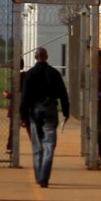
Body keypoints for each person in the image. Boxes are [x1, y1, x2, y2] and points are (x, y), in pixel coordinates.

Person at [18, 47, 69, 188]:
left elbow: (25, 97)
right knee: (49, 144)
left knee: (36, 145)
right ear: (46, 57)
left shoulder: (30, 74)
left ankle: (38, 176)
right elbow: (63, 94)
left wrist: (23, 115)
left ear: (35, 57)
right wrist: (66, 111)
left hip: (34, 110)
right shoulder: (54, 73)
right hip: (50, 108)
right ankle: (44, 177)